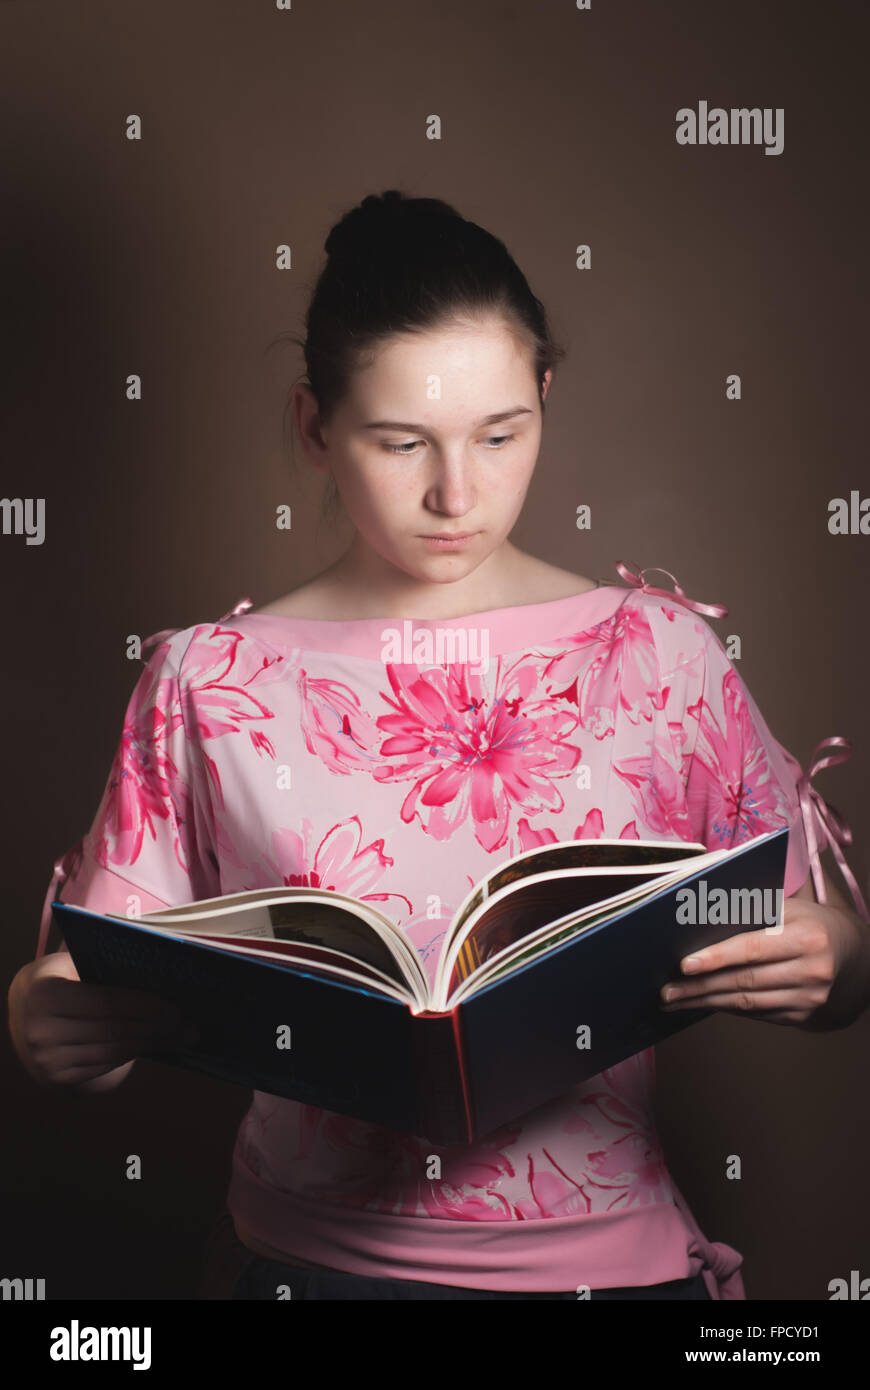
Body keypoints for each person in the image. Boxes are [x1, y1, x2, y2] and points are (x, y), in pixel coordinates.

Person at [9, 191, 869, 1303]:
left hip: (611, 1273)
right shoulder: (206, 678)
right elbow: (97, 981)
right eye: (401, 441)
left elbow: (805, 929)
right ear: (314, 426)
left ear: (547, 398)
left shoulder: (653, 651)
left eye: (501, 434)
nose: (457, 494)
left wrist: (835, 960)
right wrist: (48, 1018)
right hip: (306, 1268)